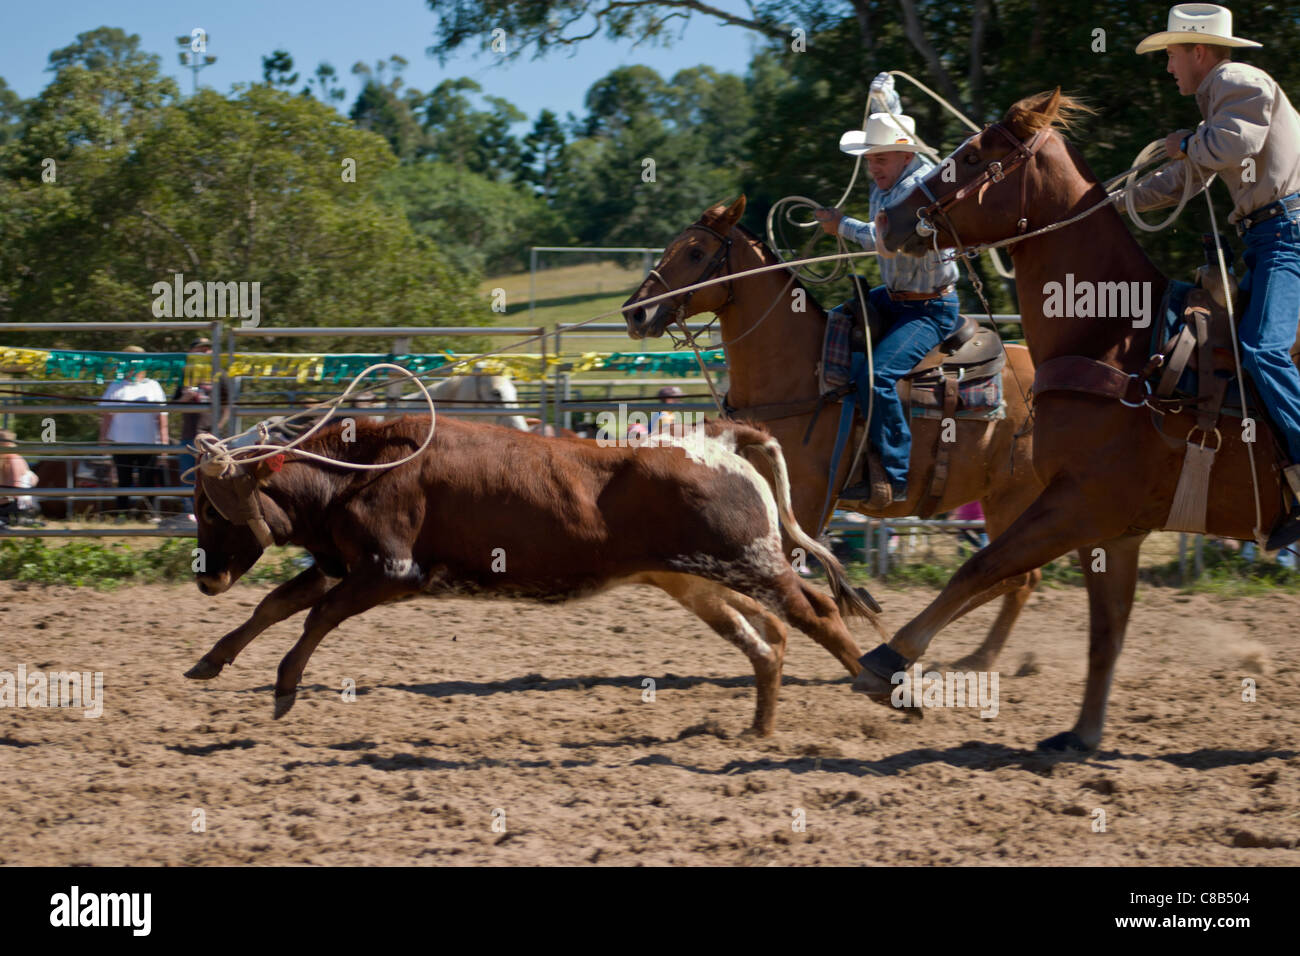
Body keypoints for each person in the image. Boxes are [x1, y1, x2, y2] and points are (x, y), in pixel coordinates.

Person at [1129, 3, 1300, 549]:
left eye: (1172, 54)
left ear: (1198, 50)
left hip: (1287, 235)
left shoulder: (1236, 79)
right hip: (1268, 237)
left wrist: (1186, 143)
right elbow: (1188, 178)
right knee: (1229, 357)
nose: (1168, 67)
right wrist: (1111, 202)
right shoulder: (1219, 102)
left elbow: (1233, 147)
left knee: (1262, 351)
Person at [814, 72, 961, 507]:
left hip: (929, 310)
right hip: (895, 300)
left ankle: (896, 476)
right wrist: (883, 94)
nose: (872, 166)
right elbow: (889, 121)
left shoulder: (921, 188)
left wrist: (841, 225)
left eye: (879, 158)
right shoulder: (889, 179)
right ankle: (846, 418)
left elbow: (890, 241)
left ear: (902, 156)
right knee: (833, 322)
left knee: (878, 377)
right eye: (869, 158)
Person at [98, 345, 167, 518]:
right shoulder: (116, 385)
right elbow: (107, 415)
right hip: (122, 441)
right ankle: (122, 513)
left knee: (148, 478)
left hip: (148, 440)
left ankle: (150, 514)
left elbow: (162, 417)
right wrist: (103, 438)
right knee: (123, 479)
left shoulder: (153, 385)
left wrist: (164, 444)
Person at [166, 337, 224, 527]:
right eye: (200, 350)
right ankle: (190, 513)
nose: (204, 353)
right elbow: (172, 406)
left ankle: (215, 511)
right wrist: (185, 397)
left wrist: (219, 426)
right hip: (189, 433)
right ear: (191, 353)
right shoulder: (184, 376)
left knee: (214, 474)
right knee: (189, 475)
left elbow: (230, 403)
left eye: (207, 350)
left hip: (212, 435)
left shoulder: (220, 374)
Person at [0, 428, 39, 525]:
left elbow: (14, 494)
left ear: (6, 444)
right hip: (7, 503)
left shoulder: (14, 460)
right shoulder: (5, 460)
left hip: (17, 507)